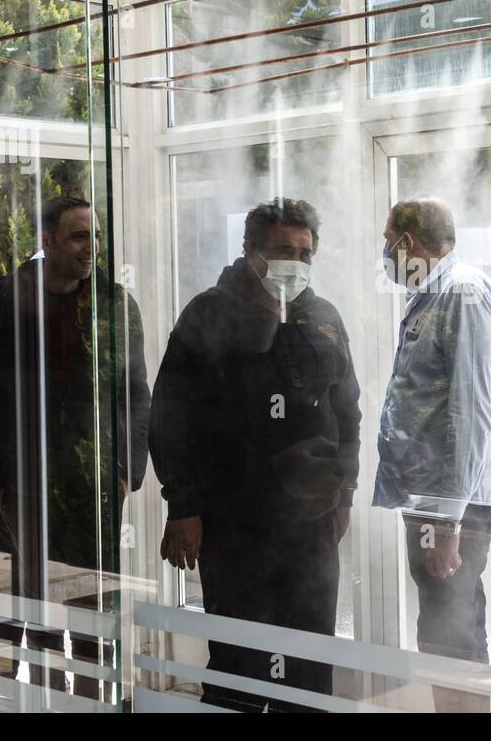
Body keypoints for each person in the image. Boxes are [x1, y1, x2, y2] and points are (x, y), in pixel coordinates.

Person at [150, 198, 360, 712]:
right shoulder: (209, 314)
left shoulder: (324, 318)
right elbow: (169, 415)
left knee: (309, 664)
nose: (296, 262)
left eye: (305, 253)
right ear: (250, 252)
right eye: (282, 250)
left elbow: (348, 411)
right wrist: (183, 507)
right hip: (234, 526)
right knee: (238, 664)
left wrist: (346, 493)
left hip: (311, 527)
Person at [0, 196, 150, 698]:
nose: (90, 248)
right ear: (45, 241)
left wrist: (126, 472)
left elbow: (136, 394)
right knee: (29, 615)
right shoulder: (0, 303)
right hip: (22, 487)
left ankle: (90, 706)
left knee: (92, 615)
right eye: (77, 237)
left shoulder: (113, 304)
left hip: (94, 490)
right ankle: (40, 702)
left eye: (94, 236)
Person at [374, 197, 491, 713]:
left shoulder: (462, 295)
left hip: (451, 503)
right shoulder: (437, 294)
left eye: (387, 241)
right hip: (434, 498)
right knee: (441, 624)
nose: (385, 252)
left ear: (407, 243)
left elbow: (469, 414)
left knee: (451, 630)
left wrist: (448, 521)